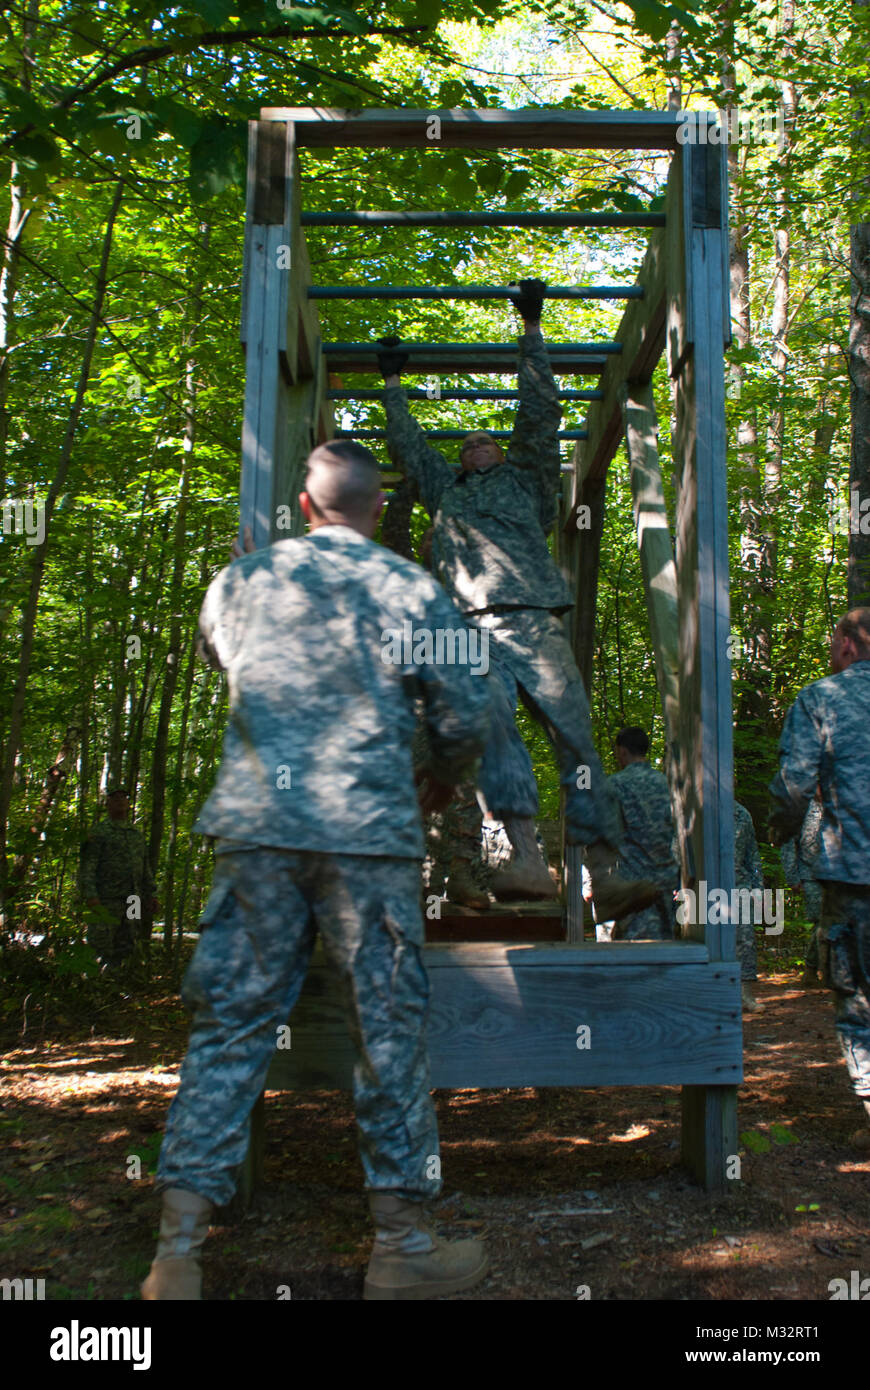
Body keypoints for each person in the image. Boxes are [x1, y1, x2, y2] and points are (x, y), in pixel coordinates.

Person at [142, 441, 493, 1301]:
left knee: (228, 1027)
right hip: (367, 839)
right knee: (387, 1035)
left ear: (304, 507)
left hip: (257, 833)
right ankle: (403, 1246)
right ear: (378, 507)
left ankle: (177, 1255)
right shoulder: (410, 586)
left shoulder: (239, 583)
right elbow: (463, 713)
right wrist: (445, 776)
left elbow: (221, 663)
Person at [377, 280, 658, 922]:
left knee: (575, 735)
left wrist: (530, 328)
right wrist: (393, 385)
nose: (476, 442)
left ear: (503, 454)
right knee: (493, 734)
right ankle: (525, 857)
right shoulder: (444, 490)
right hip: (467, 628)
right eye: (467, 442)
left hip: (531, 617)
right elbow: (410, 446)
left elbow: (539, 414)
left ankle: (607, 872)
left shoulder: (528, 482)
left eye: (486, 440)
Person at [769, 607, 870, 1150]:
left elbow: (793, 785)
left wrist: (778, 829)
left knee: (856, 996)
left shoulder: (822, 699)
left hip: (852, 876)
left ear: (849, 645)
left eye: (835, 643)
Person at [606, 728, 679, 941]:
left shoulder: (615, 785)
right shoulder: (666, 785)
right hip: (665, 879)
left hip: (632, 881)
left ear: (622, 751)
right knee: (664, 944)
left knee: (634, 950)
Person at [80, 788, 157, 969]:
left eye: (124, 798)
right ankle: (95, 988)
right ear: (107, 804)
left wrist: (151, 894)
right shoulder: (98, 833)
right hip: (107, 899)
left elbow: (144, 868)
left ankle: (118, 985)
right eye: (115, 798)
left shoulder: (136, 835)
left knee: (128, 943)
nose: (120, 801)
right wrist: (91, 896)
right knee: (101, 944)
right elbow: (88, 867)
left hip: (133, 900)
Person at [780, 797, 823, 987]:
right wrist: (793, 877)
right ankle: (812, 969)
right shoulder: (801, 808)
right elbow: (789, 844)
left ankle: (829, 971)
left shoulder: (840, 804)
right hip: (811, 875)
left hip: (840, 875)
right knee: (822, 922)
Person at [734, 800, 763, 1011]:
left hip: (739, 884)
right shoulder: (699, 812)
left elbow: (752, 855)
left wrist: (758, 887)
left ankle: (745, 995)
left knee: (745, 939)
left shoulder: (742, 814)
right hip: (705, 886)